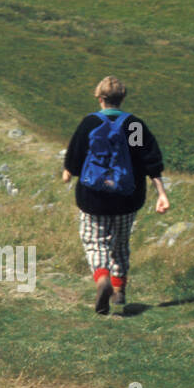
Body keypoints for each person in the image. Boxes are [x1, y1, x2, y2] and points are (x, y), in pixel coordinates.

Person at [61, 75, 170, 315]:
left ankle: (102, 280)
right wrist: (161, 193)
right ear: (122, 99)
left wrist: (67, 172)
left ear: (100, 98)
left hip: (93, 198)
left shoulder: (89, 123)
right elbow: (148, 160)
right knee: (120, 243)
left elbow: (75, 160)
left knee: (94, 241)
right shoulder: (133, 126)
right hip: (127, 198)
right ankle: (119, 289)